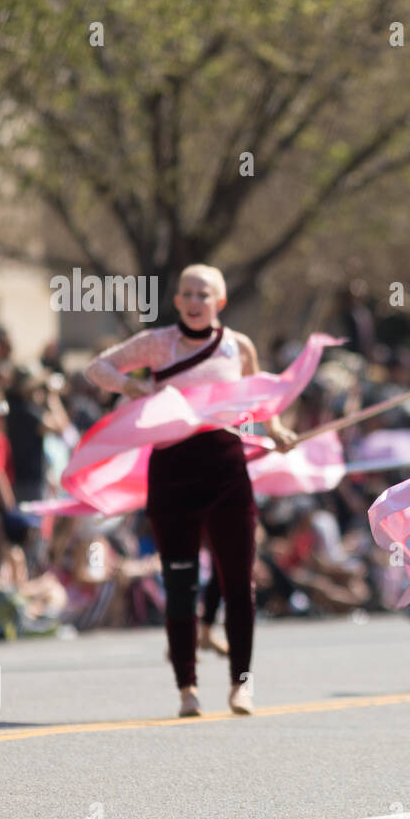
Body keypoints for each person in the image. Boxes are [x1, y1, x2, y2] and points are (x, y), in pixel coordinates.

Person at [84, 264, 297, 716]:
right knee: (180, 584)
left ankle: (242, 684)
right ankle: (187, 688)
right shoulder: (158, 343)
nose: (195, 301)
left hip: (226, 471)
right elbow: (95, 367)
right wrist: (131, 385)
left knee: (239, 583)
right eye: (188, 294)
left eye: (204, 295)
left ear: (219, 303)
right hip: (172, 473)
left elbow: (260, 401)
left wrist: (275, 428)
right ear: (177, 301)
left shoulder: (239, 347)